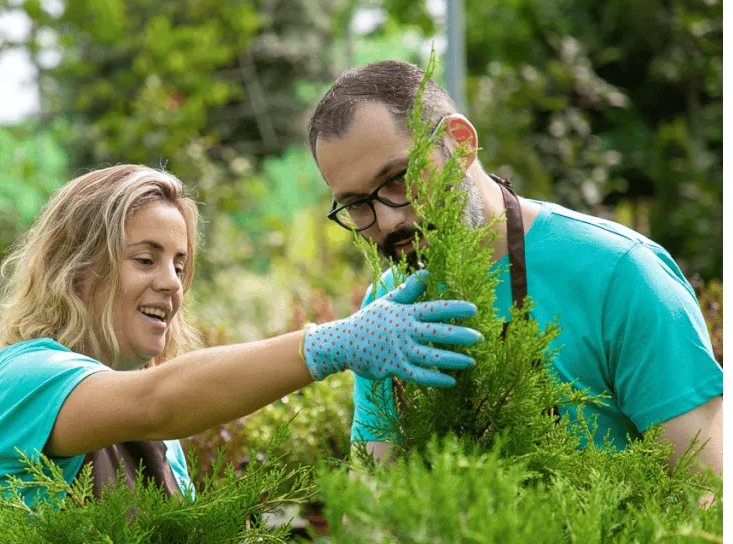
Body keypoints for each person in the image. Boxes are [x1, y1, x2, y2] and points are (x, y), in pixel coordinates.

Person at [0, 164, 484, 544]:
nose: (171, 284)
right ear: (79, 267)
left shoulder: (162, 446)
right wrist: (329, 344)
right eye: (145, 259)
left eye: (180, 265)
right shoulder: (21, 381)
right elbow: (155, 400)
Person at [306, 60, 723, 477]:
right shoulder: (387, 308)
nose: (390, 221)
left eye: (400, 178)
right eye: (357, 204)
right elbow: (375, 491)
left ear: (461, 143)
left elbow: (708, 492)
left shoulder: (620, 274)